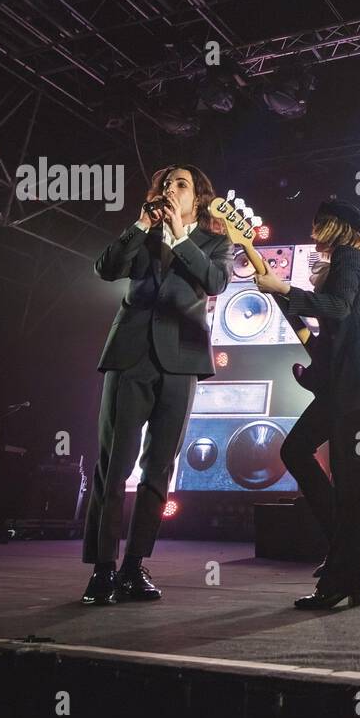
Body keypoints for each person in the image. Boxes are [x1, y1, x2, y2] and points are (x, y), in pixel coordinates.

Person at [82, 165, 231, 604]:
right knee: (114, 466)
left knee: (159, 467)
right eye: (165, 184)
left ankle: (133, 567)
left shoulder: (215, 242)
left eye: (181, 184)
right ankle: (103, 569)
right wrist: (144, 224)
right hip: (130, 357)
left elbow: (216, 281)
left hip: (181, 361)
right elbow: (106, 268)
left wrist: (180, 236)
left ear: (196, 200)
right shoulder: (141, 235)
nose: (170, 189)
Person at [254, 200, 360, 609]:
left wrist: (285, 288)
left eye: (323, 221)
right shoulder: (354, 264)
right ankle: (351, 556)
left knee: (340, 472)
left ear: (341, 227)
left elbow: (339, 308)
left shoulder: (350, 257)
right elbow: (357, 323)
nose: (315, 227)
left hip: (354, 384)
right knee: (308, 456)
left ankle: (346, 565)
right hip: (350, 382)